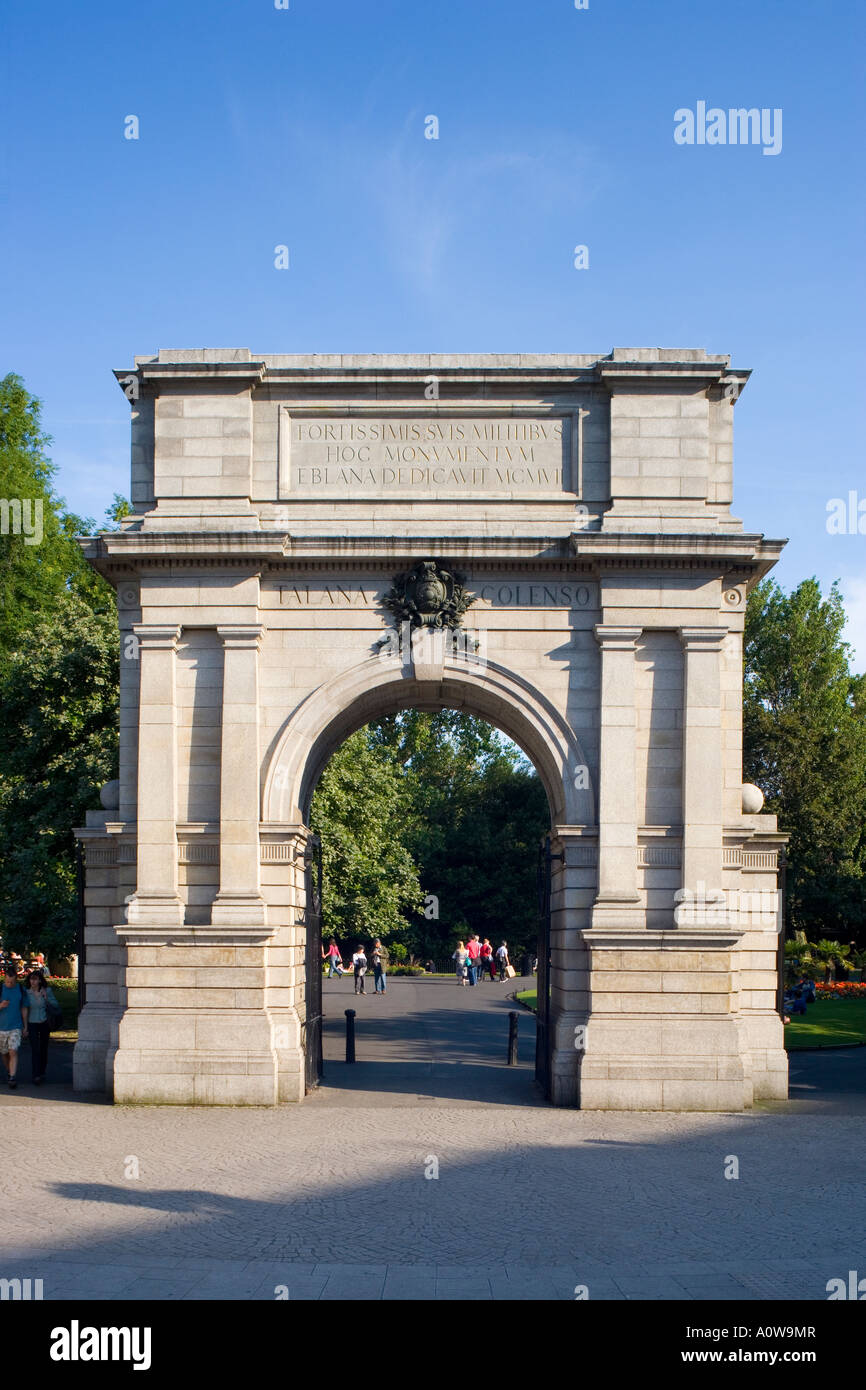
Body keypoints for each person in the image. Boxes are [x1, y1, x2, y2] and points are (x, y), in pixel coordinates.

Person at [24, 970, 59, 1085]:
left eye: (35, 979)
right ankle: (36, 1075)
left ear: (39, 980)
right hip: (32, 1022)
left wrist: (46, 997)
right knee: (35, 1049)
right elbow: (23, 1008)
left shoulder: (47, 991)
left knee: (43, 1048)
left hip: (44, 1022)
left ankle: (42, 1072)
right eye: (31, 979)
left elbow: (55, 1005)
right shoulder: (26, 993)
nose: (33, 981)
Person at [0, 961, 29, 1089]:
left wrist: (25, 1026)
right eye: (7, 982)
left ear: (16, 980)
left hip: (16, 1026)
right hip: (1, 1027)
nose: (9, 984)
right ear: (4, 978)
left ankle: (12, 1077)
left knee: (13, 1051)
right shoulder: (0, 989)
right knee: (4, 1053)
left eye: (12, 982)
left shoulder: (21, 990)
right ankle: (9, 1071)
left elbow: (24, 1008)